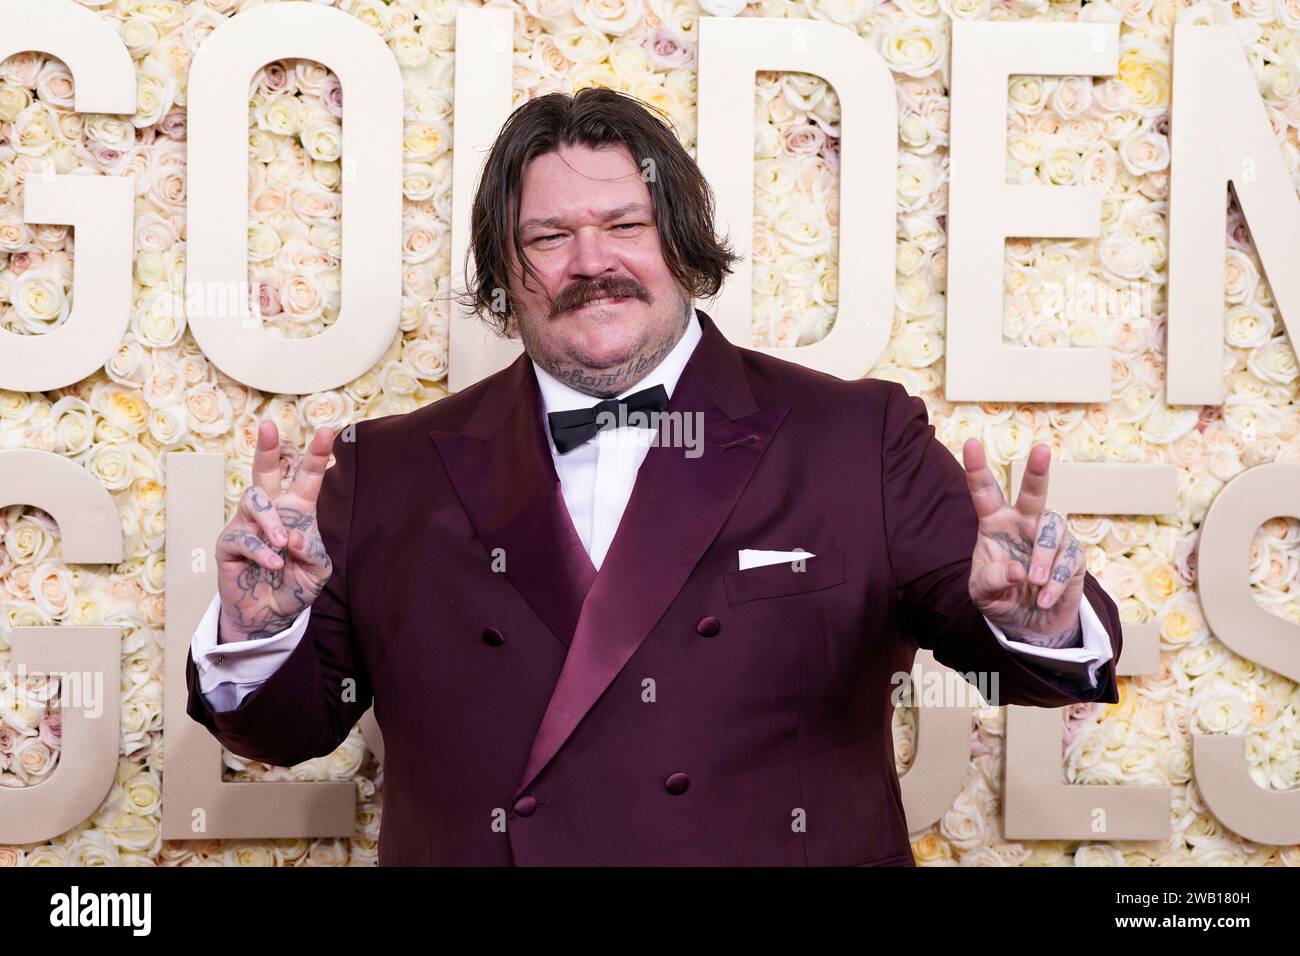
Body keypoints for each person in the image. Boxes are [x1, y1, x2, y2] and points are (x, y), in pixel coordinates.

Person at [186, 88, 1121, 866]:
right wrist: (256, 633)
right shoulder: (383, 468)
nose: (592, 263)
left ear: (679, 241)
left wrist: (1033, 624)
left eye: (624, 224)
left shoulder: (855, 436)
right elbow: (288, 731)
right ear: (505, 272)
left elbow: (1016, 665)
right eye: (548, 237)